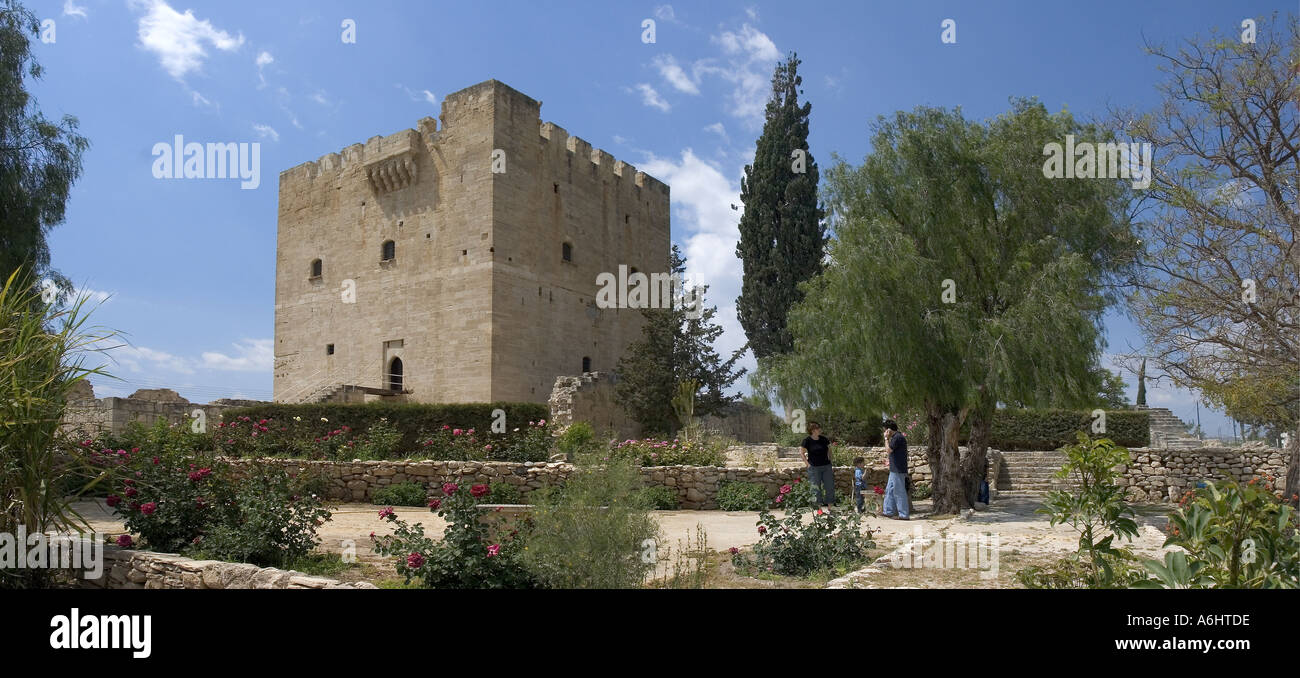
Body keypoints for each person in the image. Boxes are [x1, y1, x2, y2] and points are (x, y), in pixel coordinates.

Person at [800, 422, 835, 507]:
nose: (820, 429)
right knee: (815, 488)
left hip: (826, 466)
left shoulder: (824, 439)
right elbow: (802, 453)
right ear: (812, 430)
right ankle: (818, 509)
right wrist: (807, 464)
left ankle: (831, 507)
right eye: (818, 428)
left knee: (829, 486)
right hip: (814, 468)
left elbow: (829, 450)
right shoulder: (806, 441)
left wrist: (830, 460)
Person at [881, 419, 910, 520]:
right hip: (894, 469)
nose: (884, 432)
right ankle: (888, 511)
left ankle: (904, 515)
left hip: (898, 469)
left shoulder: (897, 437)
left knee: (899, 491)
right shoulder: (895, 437)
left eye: (885, 430)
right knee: (889, 490)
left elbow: (889, 450)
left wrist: (885, 438)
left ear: (888, 430)